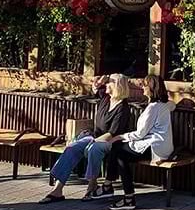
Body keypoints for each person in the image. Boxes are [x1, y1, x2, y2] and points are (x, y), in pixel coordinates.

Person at [39, 73, 131, 203]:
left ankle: (92, 185)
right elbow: (95, 88)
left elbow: (112, 133)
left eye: (109, 82)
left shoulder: (122, 108)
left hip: (111, 141)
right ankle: (57, 190)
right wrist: (99, 81)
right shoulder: (106, 98)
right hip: (96, 136)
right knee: (72, 148)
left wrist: (94, 141)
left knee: (94, 148)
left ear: (117, 86)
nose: (106, 85)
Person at [102, 74, 176, 210]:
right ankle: (123, 193)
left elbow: (140, 133)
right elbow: (173, 105)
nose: (142, 87)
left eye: (145, 85)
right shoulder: (164, 104)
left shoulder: (153, 108)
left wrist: (121, 136)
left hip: (154, 148)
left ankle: (112, 188)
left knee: (117, 148)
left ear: (152, 88)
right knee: (120, 154)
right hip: (163, 146)